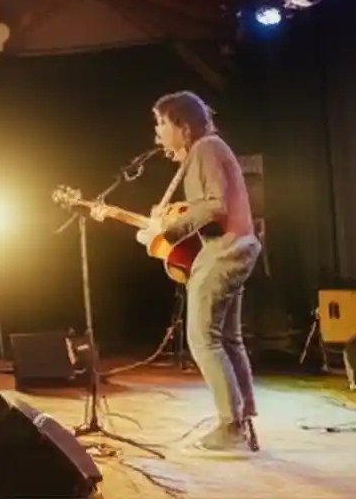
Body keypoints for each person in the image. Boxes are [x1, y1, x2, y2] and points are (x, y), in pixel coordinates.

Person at [91, 91, 260, 454]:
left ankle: (230, 428)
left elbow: (214, 207)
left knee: (204, 340)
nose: (157, 134)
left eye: (161, 124)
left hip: (223, 252)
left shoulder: (207, 150)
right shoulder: (206, 151)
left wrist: (168, 232)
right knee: (228, 340)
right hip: (234, 248)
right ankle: (242, 422)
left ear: (182, 125)